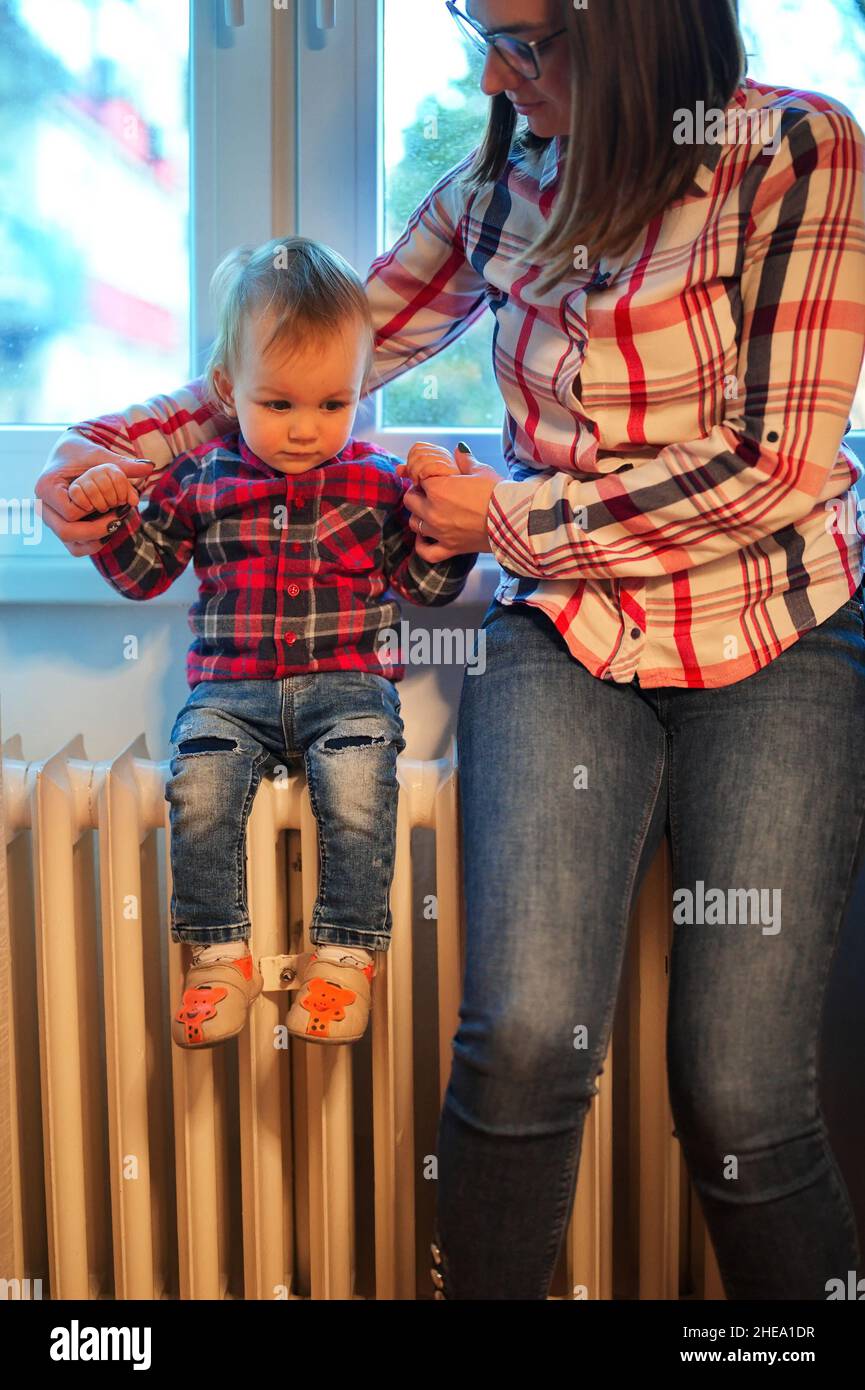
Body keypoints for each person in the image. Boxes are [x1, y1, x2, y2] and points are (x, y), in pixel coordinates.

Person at [36, 0, 865, 1298]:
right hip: (565, 632)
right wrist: (106, 451)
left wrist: (515, 516)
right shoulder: (502, 190)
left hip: (775, 624)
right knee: (525, 1040)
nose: (492, 72)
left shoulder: (799, 154)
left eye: (525, 39)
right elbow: (311, 342)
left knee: (739, 1087)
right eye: (479, 29)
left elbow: (773, 468)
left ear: (635, 32)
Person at [63, 235, 478, 1049]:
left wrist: (445, 518)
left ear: (361, 392)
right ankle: (217, 957)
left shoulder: (378, 481)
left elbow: (426, 591)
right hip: (229, 694)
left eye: (333, 404)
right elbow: (144, 574)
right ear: (229, 389)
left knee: (361, 786)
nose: (304, 429)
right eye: (278, 403)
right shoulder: (201, 478)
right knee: (202, 789)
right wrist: (112, 511)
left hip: (350, 687)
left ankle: (347, 957)